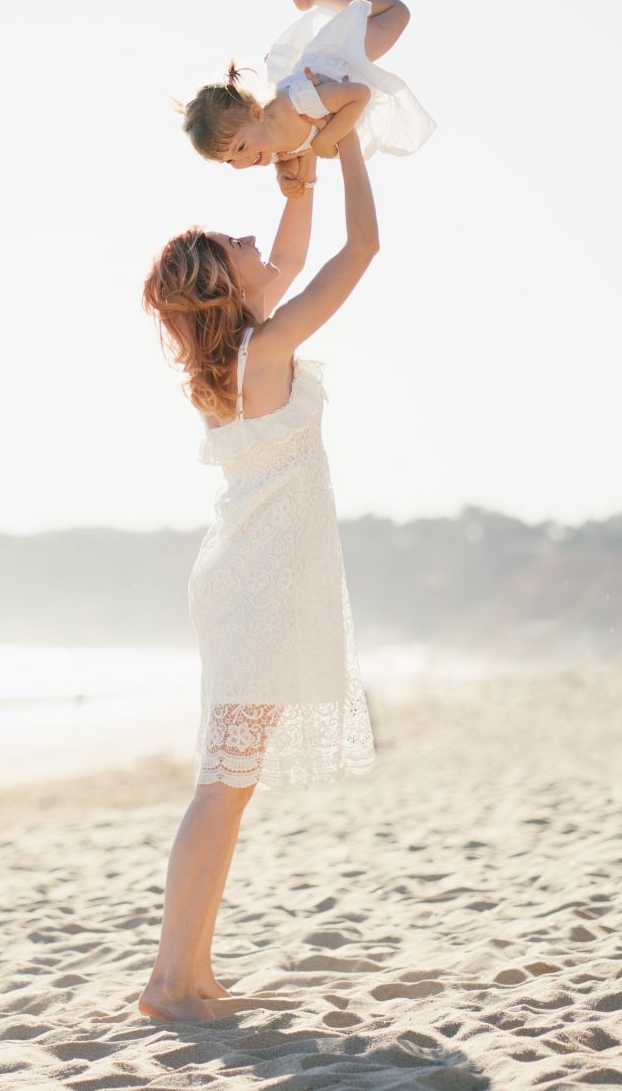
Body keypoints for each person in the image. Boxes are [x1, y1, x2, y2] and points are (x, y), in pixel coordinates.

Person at [134, 142, 381, 1021]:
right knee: (222, 786)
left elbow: (288, 258)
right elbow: (359, 254)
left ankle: (193, 976)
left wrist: (299, 182)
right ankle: (169, 982)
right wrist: (348, 150)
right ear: (227, 288)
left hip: (251, 574)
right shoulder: (266, 347)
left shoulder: (243, 351)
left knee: (228, 788)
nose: (256, 239)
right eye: (239, 243)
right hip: (259, 582)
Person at [180, 0, 435, 197]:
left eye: (241, 147)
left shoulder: (299, 102)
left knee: (397, 11)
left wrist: (324, 141)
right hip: (330, 85)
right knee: (396, 12)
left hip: (338, 61)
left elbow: (359, 94)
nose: (243, 159)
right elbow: (285, 155)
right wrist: (283, 176)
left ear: (257, 113)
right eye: (229, 160)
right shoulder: (266, 145)